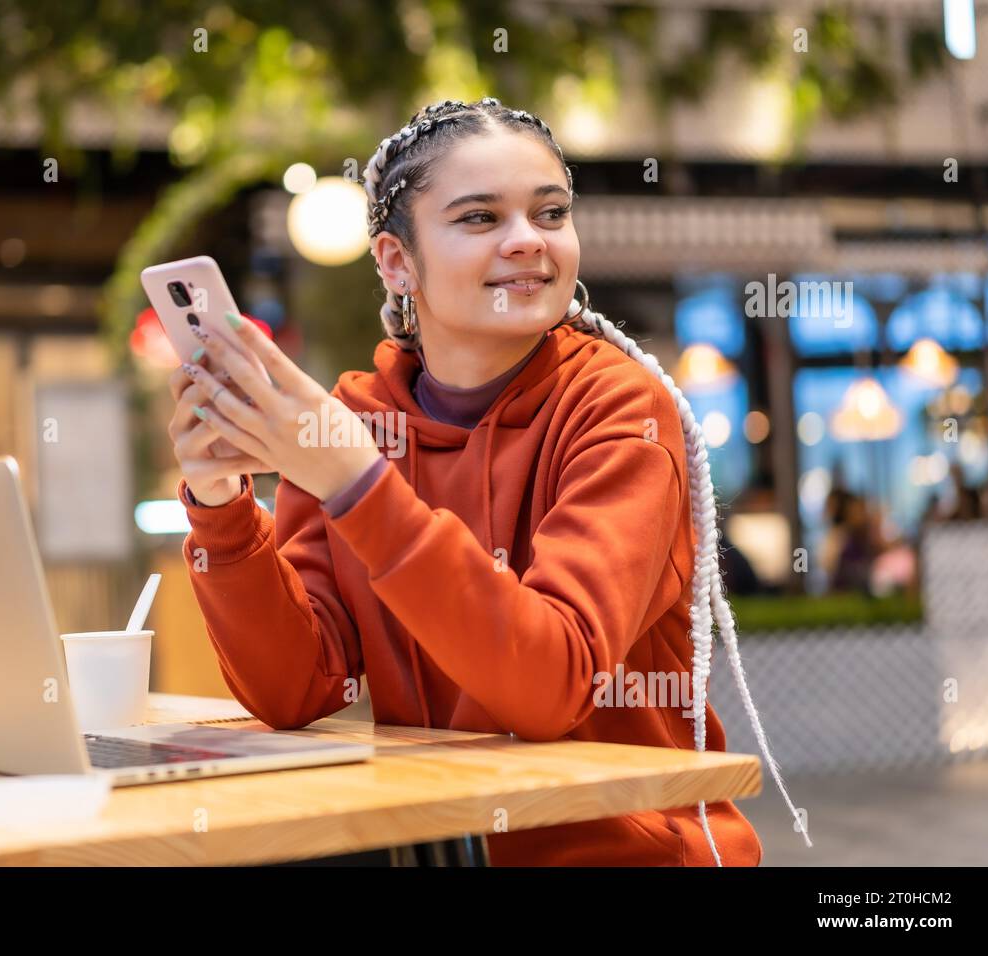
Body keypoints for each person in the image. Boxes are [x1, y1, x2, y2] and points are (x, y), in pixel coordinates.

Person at [164, 97, 807, 866]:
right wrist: (219, 504)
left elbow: (551, 685)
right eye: (479, 218)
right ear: (398, 262)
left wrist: (357, 483)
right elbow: (298, 689)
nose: (528, 241)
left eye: (551, 212)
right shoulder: (356, 420)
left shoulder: (620, 409)